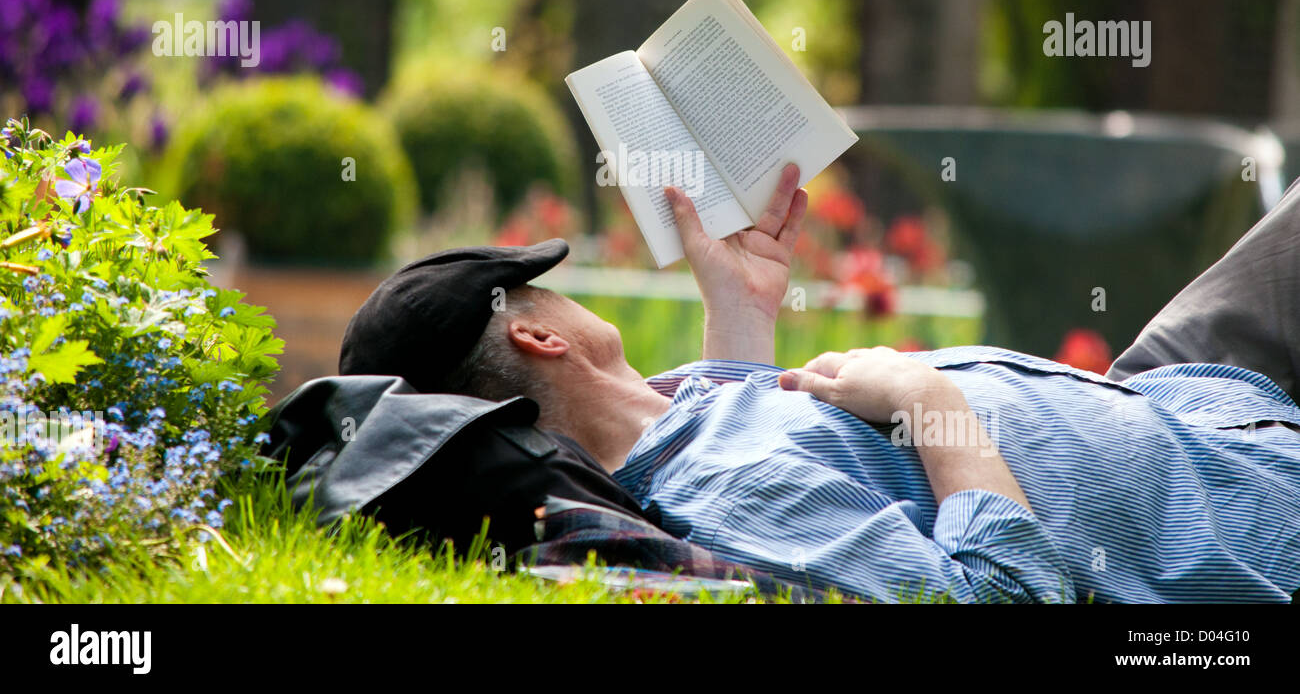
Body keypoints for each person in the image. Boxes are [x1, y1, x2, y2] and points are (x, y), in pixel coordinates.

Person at [339, 165, 1300, 603]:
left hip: (1177, 396)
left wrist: (744, 307)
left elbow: (767, 433)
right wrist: (932, 405)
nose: (566, 283)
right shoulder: (725, 495)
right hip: (1240, 510)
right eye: (547, 282)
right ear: (538, 332)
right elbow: (1006, 594)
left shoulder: (688, 420)